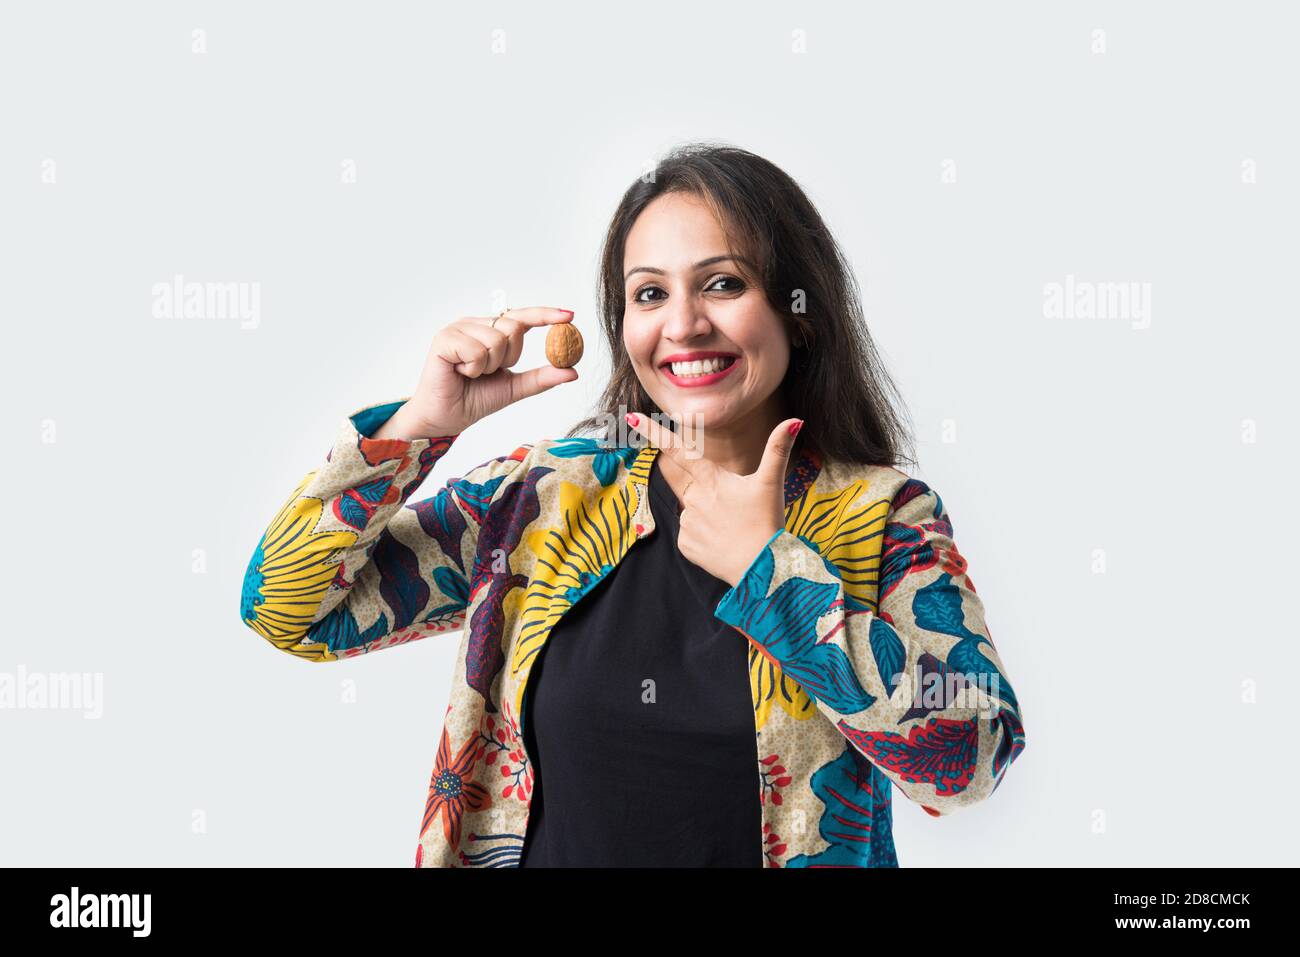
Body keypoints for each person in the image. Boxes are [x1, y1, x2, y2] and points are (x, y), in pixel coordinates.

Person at [238, 142, 1027, 868]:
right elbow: (290, 610)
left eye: (723, 282)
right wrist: (420, 426)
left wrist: (772, 574)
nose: (683, 324)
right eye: (650, 293)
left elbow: (970, 760)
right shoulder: (545, 497)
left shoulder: (883, 517)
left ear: (798, 307)